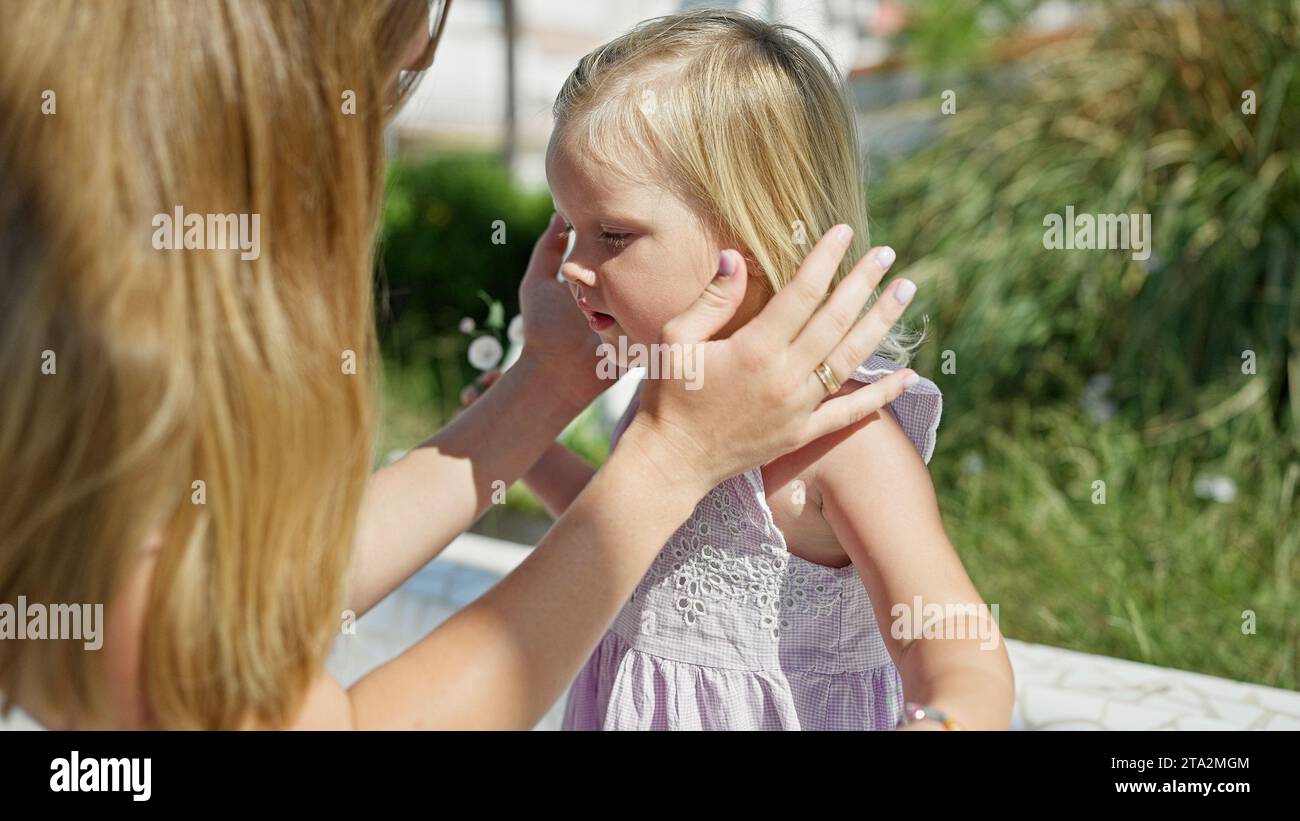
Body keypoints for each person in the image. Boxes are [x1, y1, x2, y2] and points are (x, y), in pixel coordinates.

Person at [0, 0, 919, 729]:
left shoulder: (839, 436)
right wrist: (664, 461)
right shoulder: (677, 423)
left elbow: (220, 611)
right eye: (373, 89)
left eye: (616, 233)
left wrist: (550, 388)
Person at [463, 10, 1013, 730]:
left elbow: (948, 634)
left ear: (753, 229)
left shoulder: (842, 436)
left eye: (613, 235)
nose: (570, 265)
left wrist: (949, 713)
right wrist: (526, 443)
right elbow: (626, 534)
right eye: (568, 228)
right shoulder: (674, 394)